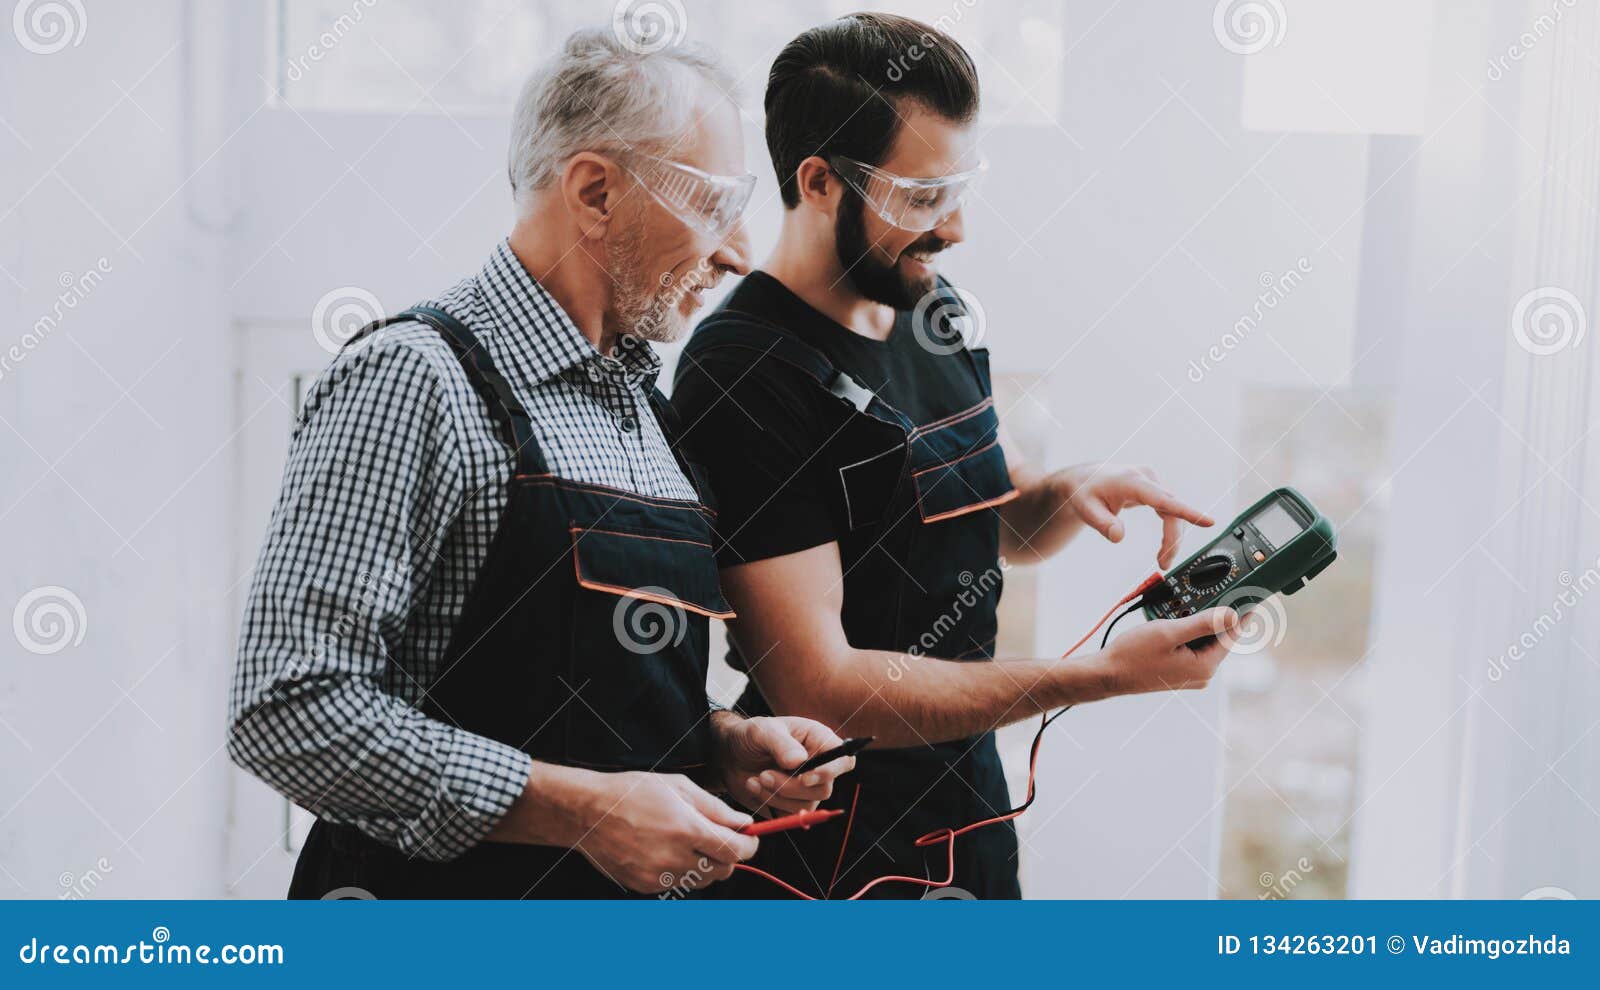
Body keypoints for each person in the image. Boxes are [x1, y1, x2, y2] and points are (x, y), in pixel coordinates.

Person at [227, 29, 854, 900]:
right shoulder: (415, 379)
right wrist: (582, 810)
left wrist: (715, 744)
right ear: (595, 192)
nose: (738, 252)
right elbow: (286, 709)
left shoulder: (648, 416)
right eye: (714, 206)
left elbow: (590, 698)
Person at [671, 13, 1242, 899]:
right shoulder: (742, 372)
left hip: (969, 809)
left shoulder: (936, 313)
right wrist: (1100, 678)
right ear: (819, 182)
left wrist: (1069, 489)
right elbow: (822, 686)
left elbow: (997, 515)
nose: (958, 228)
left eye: (961, 187)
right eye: (923, 198)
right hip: (835, 848)